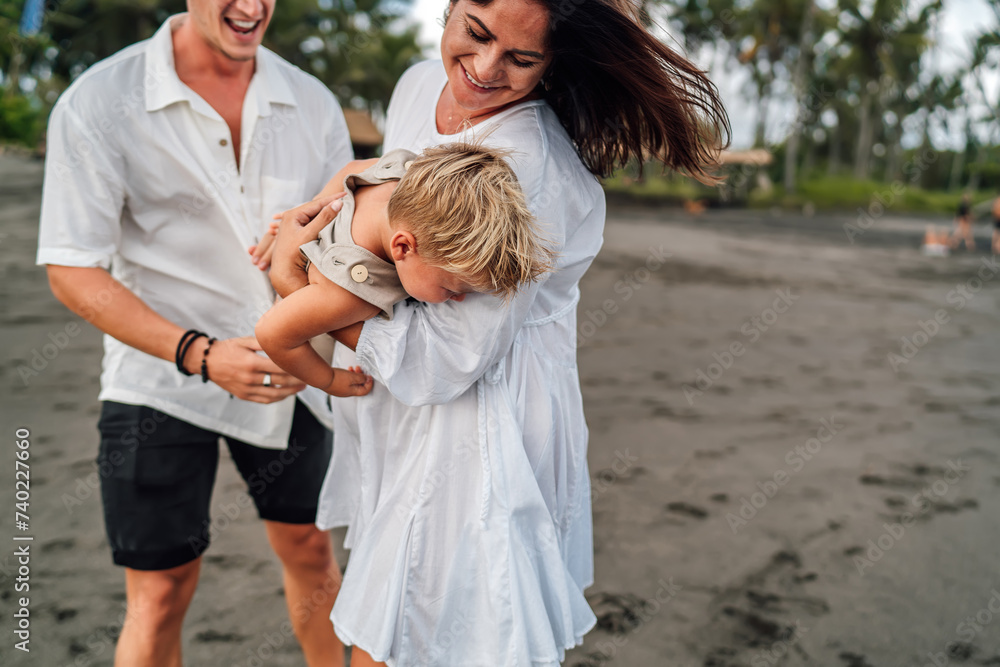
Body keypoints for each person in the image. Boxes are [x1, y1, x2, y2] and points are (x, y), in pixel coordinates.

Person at [262, 0, 729, 664]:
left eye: (521, 58)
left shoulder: (527, 166)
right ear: (448, 9)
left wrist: (301, 287)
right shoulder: (420, 84)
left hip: (480, 423)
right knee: (394, 622)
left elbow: (444, 358)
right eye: (475, 34)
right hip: (398, 403)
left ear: (552, 63)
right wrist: (310, 219)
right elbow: (380, 181)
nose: (483, 69)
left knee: (425, 636)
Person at [36, 2, 354, 665]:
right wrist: (198, 353)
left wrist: (306, 270)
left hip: (289, 368)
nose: (250, 6)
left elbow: (341, 240)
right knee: (159, 590)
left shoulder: (313, 101)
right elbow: (70, 265)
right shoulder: (98, 101)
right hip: (158, 377)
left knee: (313, 553)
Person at [256, 143, 552, 396]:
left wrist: (315, 208)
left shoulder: (400, 175)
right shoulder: (352, 291)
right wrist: (329, 379)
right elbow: (273, 334)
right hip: (289, 298)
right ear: (402, 248)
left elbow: (354, 166)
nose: (459, 300)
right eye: (451, 289)